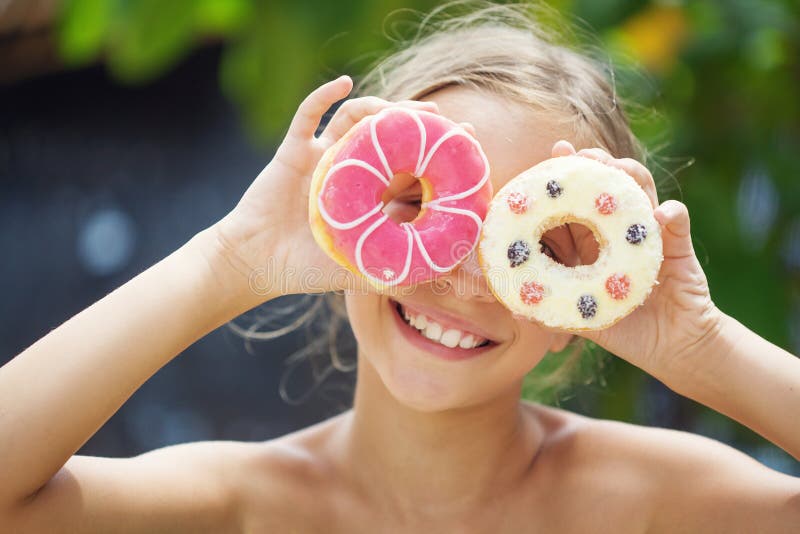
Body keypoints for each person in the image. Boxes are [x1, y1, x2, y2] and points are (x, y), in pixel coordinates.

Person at [1, 2, 798, 532]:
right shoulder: (240, 505)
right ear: (350, 222)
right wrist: (229, 259)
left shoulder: (651, 505)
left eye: (541, 249)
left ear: (578, 319)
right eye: (425, 209)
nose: (466, 278)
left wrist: (704, 350)